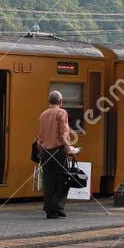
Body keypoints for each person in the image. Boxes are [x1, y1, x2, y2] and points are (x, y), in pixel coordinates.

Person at [36, 89, 77, 219]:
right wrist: (69, 148)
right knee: (64, 180)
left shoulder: (43, 114)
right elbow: (64, 132)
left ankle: (50, 210)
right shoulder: (61, 112)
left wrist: (40, 152)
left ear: (49, 101)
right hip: (58, 152)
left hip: (45, 153)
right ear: (60, 101)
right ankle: (57, 206)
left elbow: (40, 136)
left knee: (49, 182)